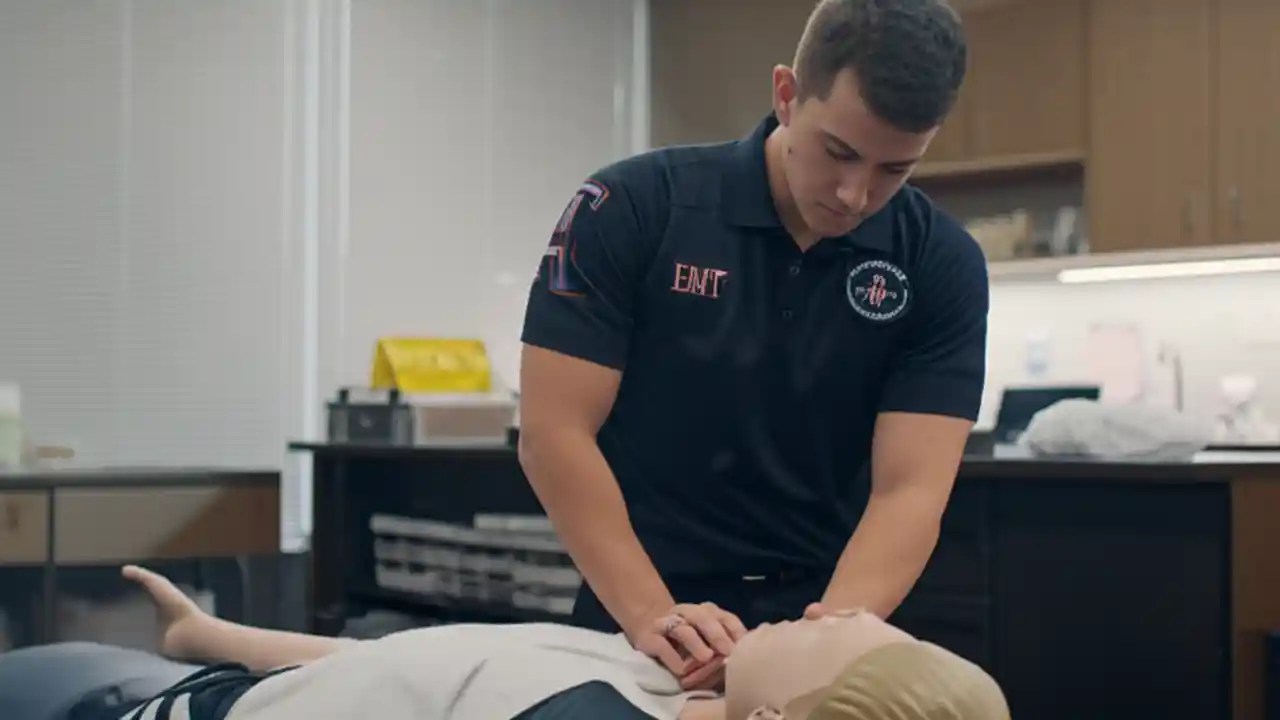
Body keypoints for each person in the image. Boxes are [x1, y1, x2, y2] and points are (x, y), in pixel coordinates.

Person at [517, 0, 988, 684]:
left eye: (895, 170)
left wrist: (818, 649)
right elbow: (553, 432)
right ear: (787, 95)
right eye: (840, 153)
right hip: (637, 608)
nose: (856, 195)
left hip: (827, 608)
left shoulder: (940, 263)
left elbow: (910, 492)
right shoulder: (634, 207)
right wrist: (656, 618)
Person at [0, 566, 1009, 720]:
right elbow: (423, 676)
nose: (837, 608)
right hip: (225, 673)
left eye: (859, 636)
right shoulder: (670, 684)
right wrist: (213, 631)